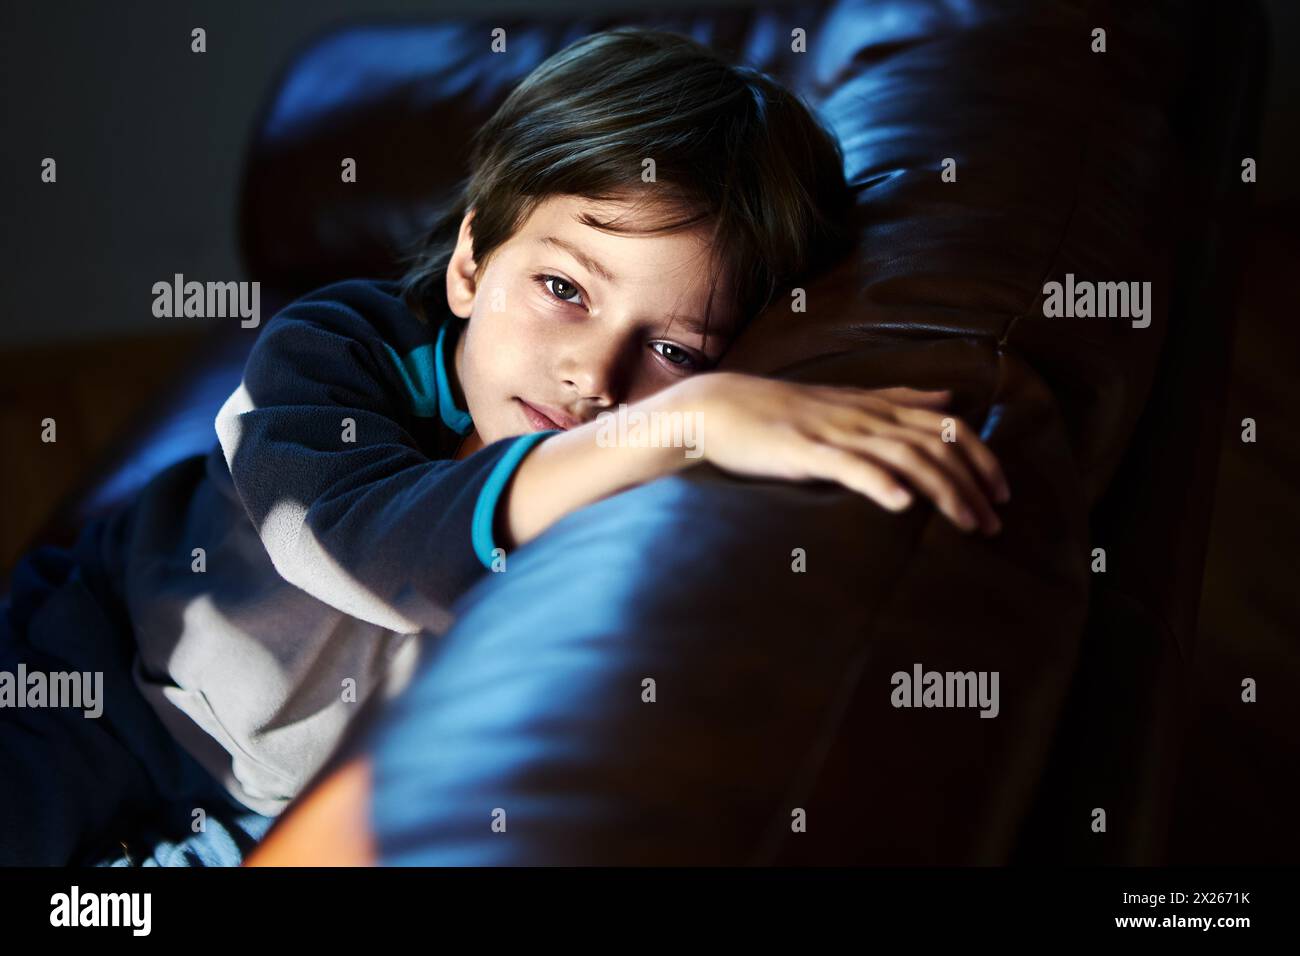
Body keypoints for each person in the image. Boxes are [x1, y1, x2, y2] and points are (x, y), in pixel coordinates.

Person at [0, 27, 1007, 867]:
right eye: (564, 288)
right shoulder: (335, 347)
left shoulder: (614, 487)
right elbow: (356, 538)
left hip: (259, 805)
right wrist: (681, 415)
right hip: (101, 680)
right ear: (475, 261)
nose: (591, 376)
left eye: (669, 347)